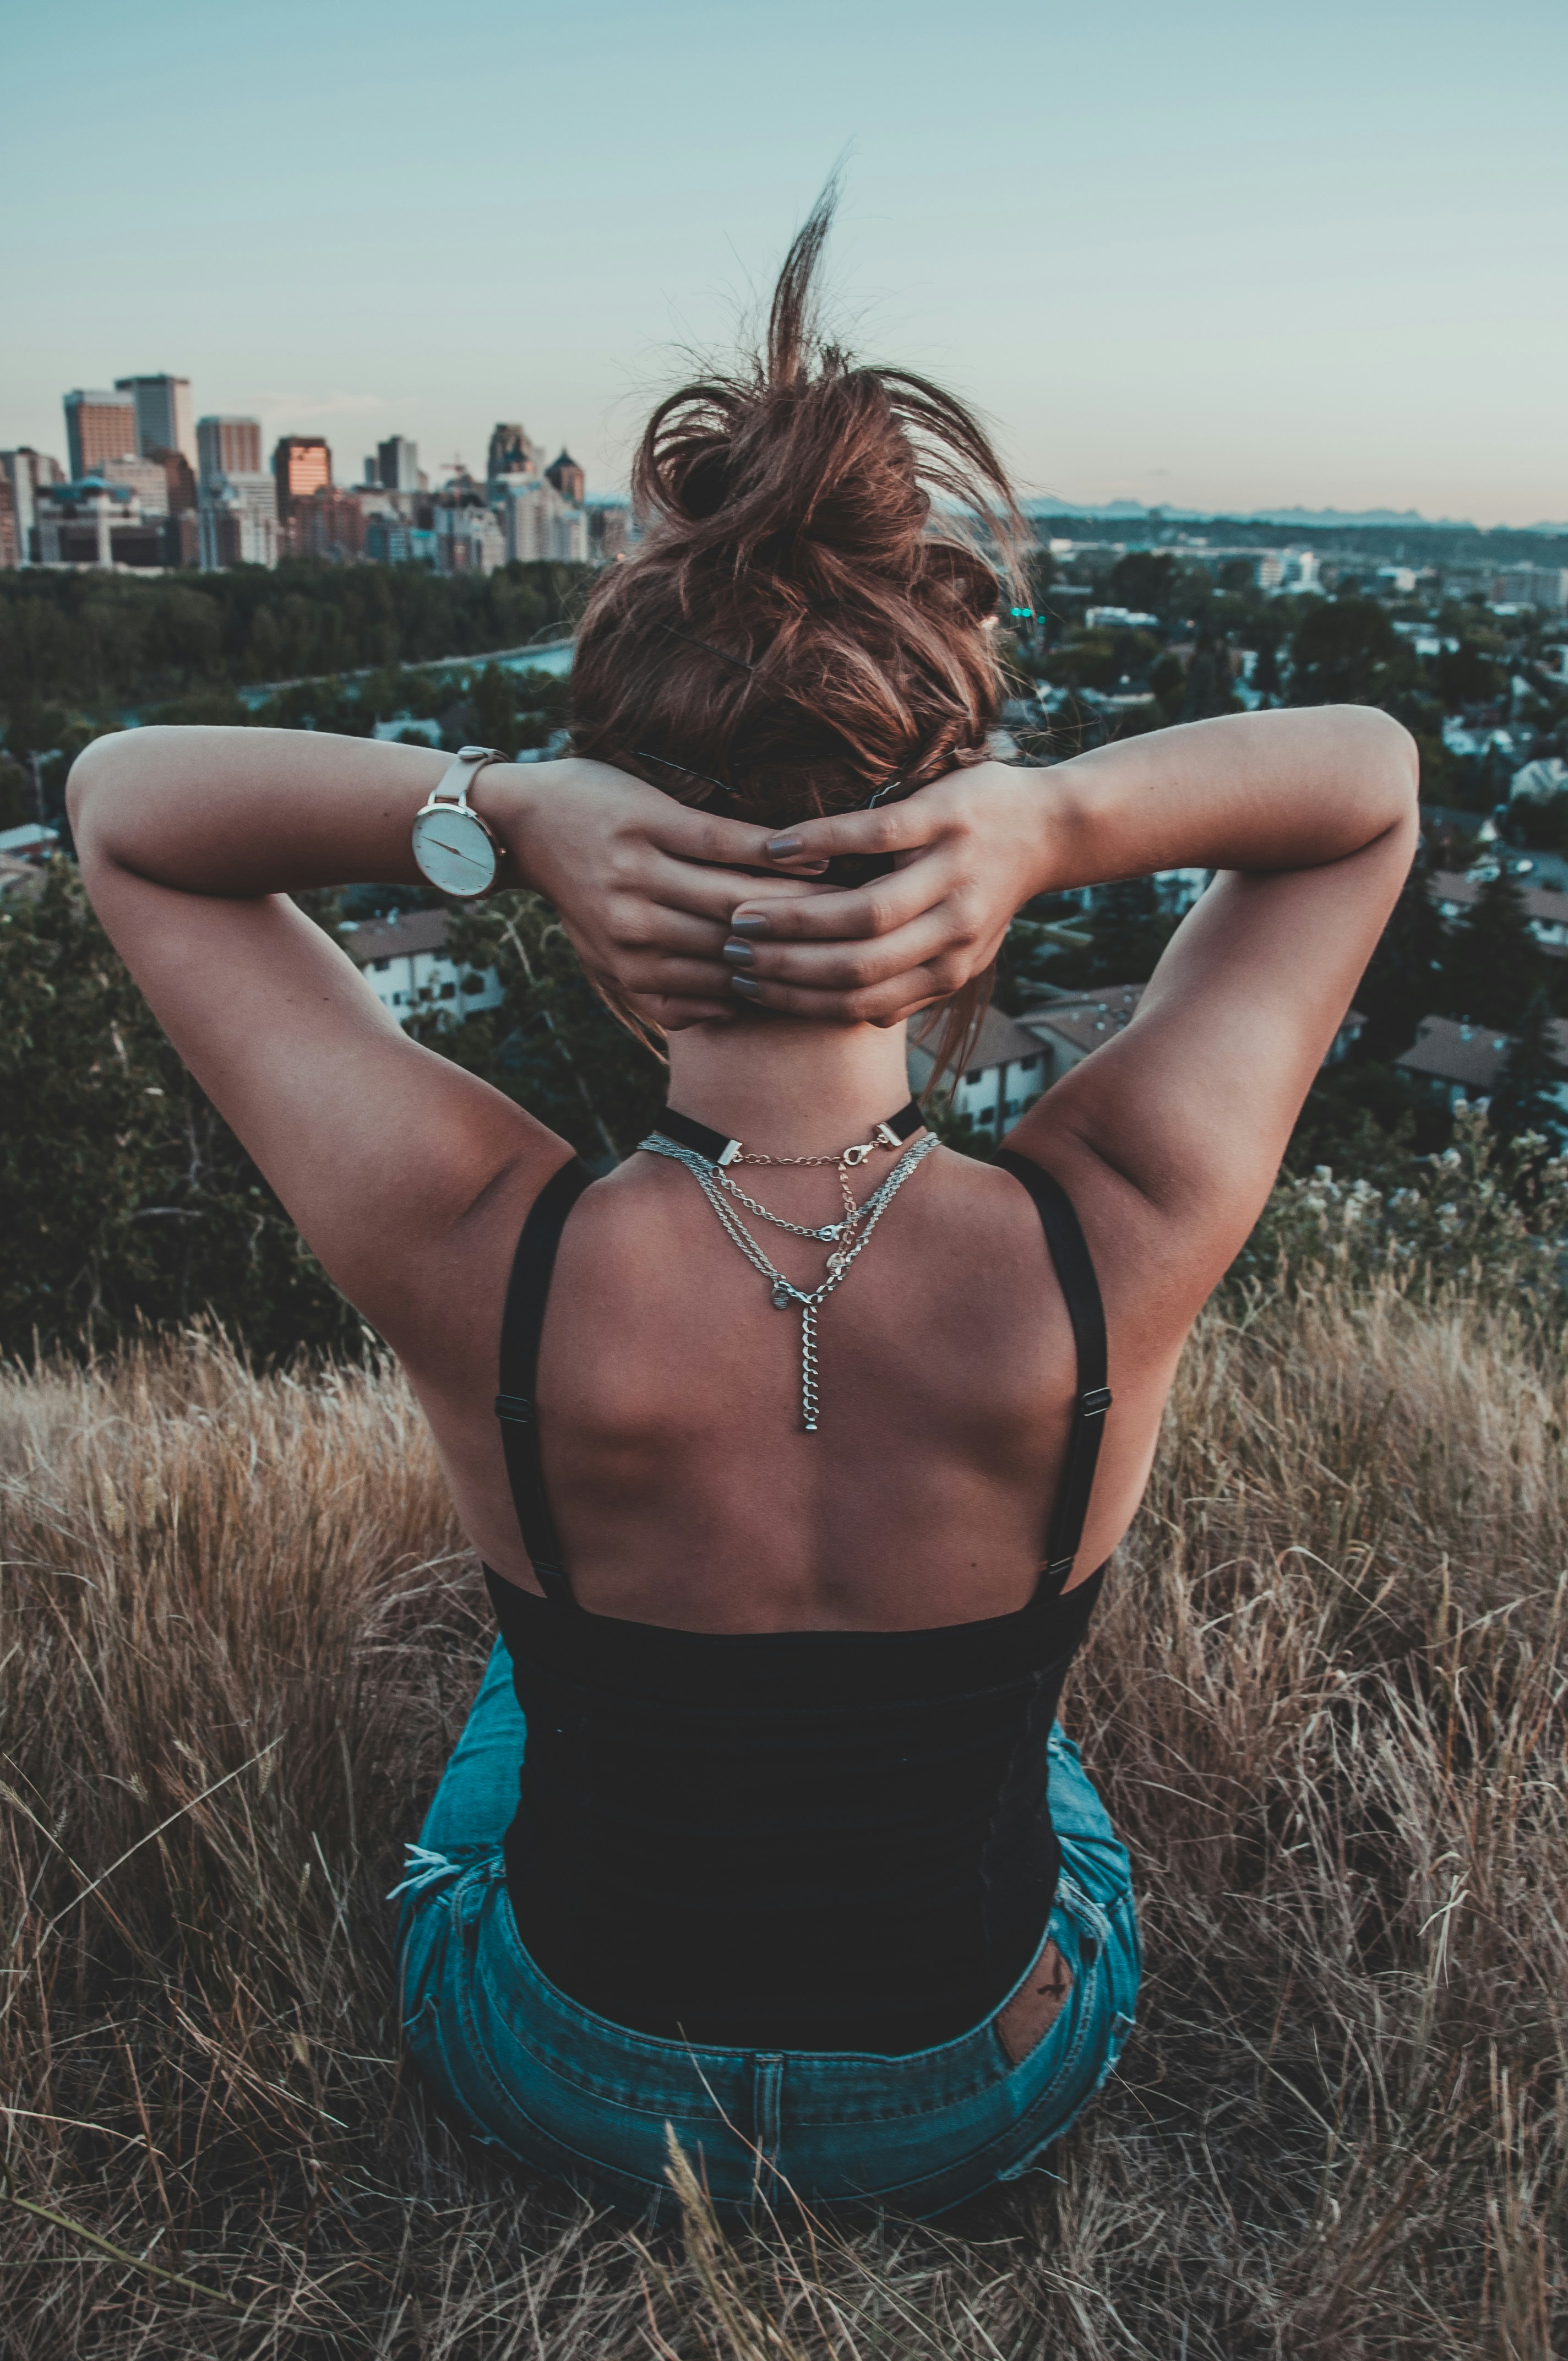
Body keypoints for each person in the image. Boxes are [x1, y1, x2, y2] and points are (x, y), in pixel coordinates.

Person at [67, 194, 1417, 2222]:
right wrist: (1055, 821)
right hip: (981, 2080)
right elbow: (1370, 786)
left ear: (619, 913)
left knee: (541, 1679)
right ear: (953, 882)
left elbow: (124, 807)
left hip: (574, 2073)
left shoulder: (483, 1253)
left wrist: (503, 810)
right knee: (1019, 1772)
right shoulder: (1115, 1223)